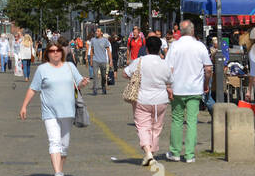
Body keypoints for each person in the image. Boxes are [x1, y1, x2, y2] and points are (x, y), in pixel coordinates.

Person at [19, 41, 88, 176]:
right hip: (49, 112)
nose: (55, 53)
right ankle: (57, 172)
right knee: (54, 141)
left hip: (68, 111)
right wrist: (24, 106)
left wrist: (83, 83)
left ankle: (60, 171)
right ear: (47, 54)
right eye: (51, 51)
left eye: (57, 50)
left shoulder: (70, 67)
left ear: (62, 53)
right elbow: (33, 88)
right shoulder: (42, 69)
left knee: (64, 145)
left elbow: (79, 83)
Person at [166, 21, 212, 163]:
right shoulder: (200, 46)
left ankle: (174, 152)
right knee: (192, 121)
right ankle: (190, 155)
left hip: (178, 89)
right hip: (194, 89)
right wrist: (205, 83)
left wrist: (168, 86)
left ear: (180, 31)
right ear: (192, 31)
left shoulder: (174, 46)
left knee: (177, 120)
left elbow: (169, 68)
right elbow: (208, 69)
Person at [124, 33, 173, 166]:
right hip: (161, 100)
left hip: (142, 99)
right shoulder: (164, 64)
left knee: (143, 126)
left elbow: (125, 73)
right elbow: (170, 80)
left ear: (146, 49)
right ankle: (151, 152)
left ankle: (148, 153)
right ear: (159, 49)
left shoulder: (140, 61)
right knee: (156, 127)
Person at [87, 28, 112, 95]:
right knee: (95, 75)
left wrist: (111, 60)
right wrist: (91, 60)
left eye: (98, 31)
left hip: (103, 61)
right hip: (95, 60)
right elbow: (92, 50)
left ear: (101, 33)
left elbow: (108, 51)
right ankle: (95, 90)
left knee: (104, 76)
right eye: (96, 31)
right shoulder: (93, 40)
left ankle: (103, 87)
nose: (96, 32)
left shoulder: (105, 40)